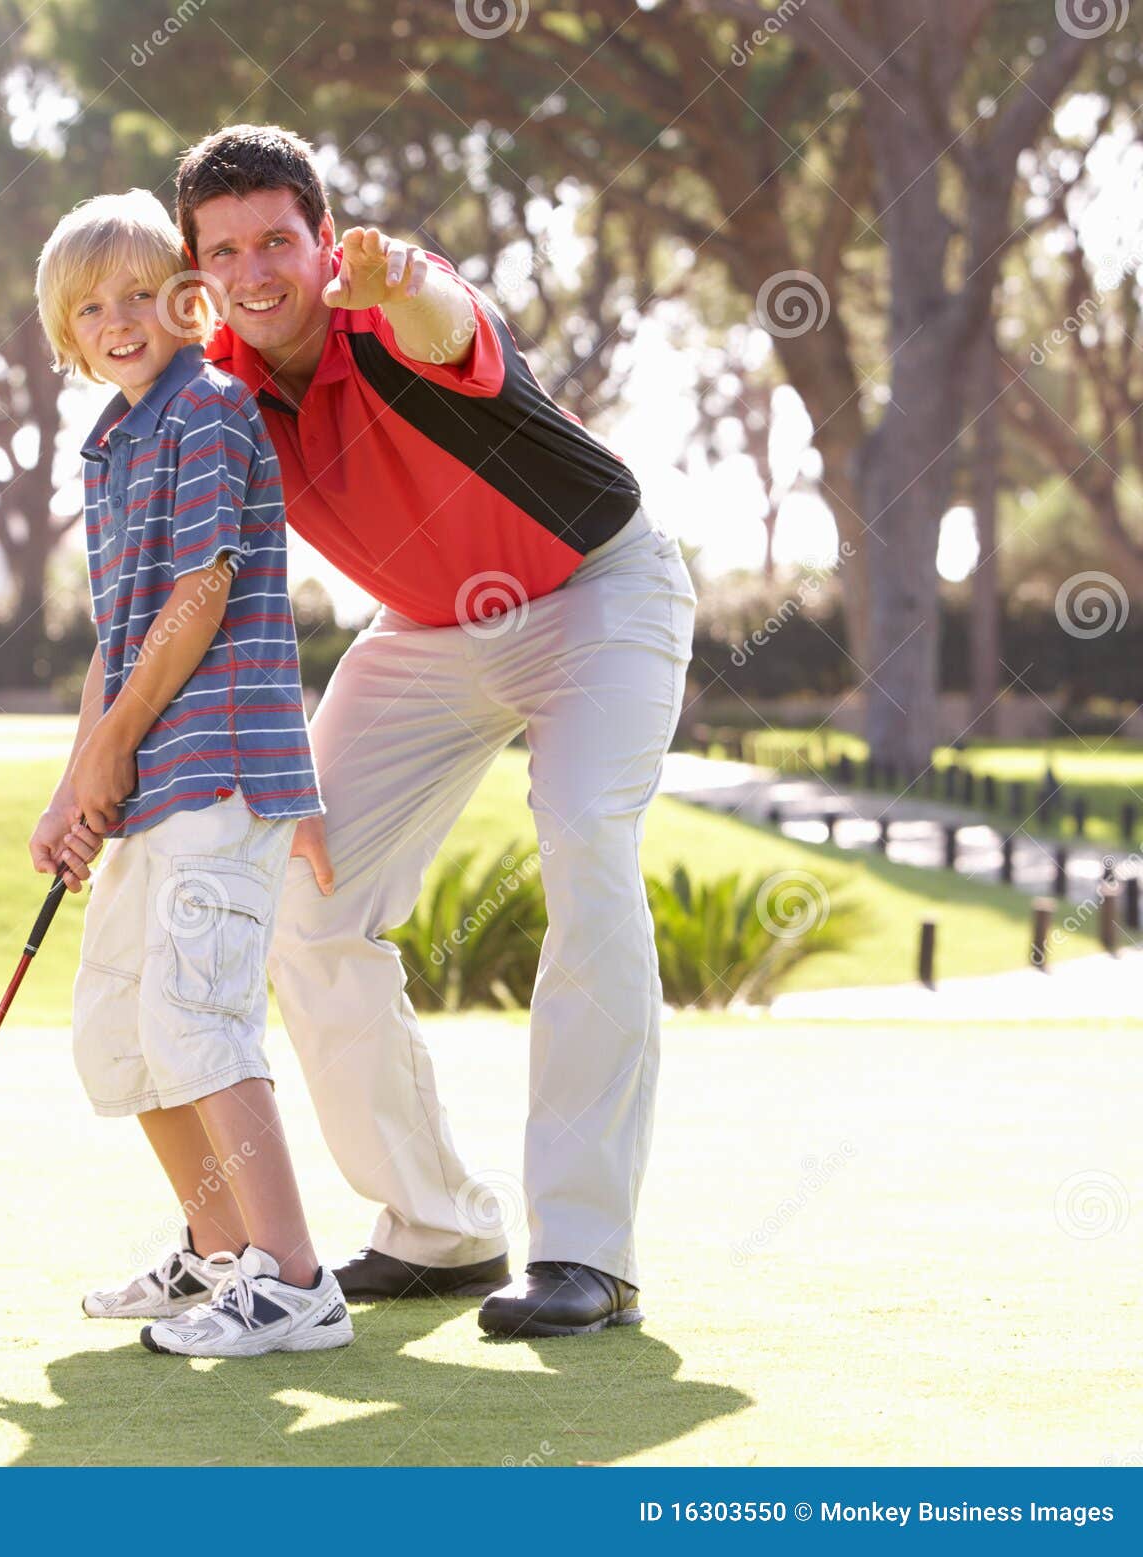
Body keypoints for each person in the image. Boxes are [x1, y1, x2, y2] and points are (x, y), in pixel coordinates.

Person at [62, 126, 696, 1340]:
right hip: (423, 634)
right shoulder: (219, 393)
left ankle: (586, 1253)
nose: (257, 270)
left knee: (583, 848)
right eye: (225, 248)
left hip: (597, 591)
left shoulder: (388, 308)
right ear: (197, 268)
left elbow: (447, 323)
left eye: (279, 241)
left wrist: (405, 278)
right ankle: (438, 1227)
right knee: (309, 903)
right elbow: (181, 590)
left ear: (320, 236)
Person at [26, 188, 351, 1359]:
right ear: (67, 333)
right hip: (150, 782)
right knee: (117, 1028)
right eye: (90, 307)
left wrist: (112, 752)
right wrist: (77, 787)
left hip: (219, 768)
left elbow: (198, 592)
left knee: (199, 1018)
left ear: (185, 299)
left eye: (140, 296)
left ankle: (296, 1282)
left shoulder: (206, 409)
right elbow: (119, 636)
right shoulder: (111, 442)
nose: (119, 320)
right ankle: (219, 1259)